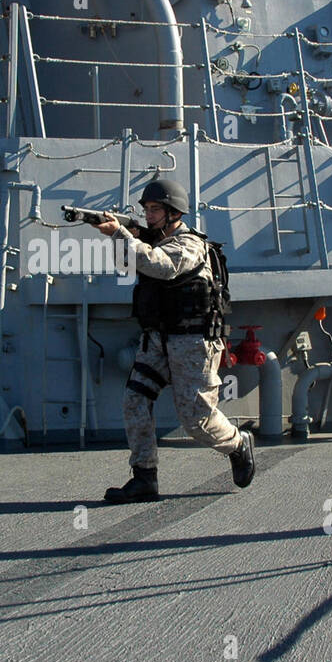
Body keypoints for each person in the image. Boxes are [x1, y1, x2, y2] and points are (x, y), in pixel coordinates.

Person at [95, 179, 254, 502]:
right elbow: (128, 263)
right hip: (157, 340)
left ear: (173, 212)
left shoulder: (189, 244)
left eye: (155, 210)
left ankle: (238, 443)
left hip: (193, 342)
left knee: (196, 420)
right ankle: (144, 478)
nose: (149, 215)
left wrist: (121, 234)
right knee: (135, 401)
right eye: (146, 210)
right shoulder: (155, 240)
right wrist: (121, 237)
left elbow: (162, 266)